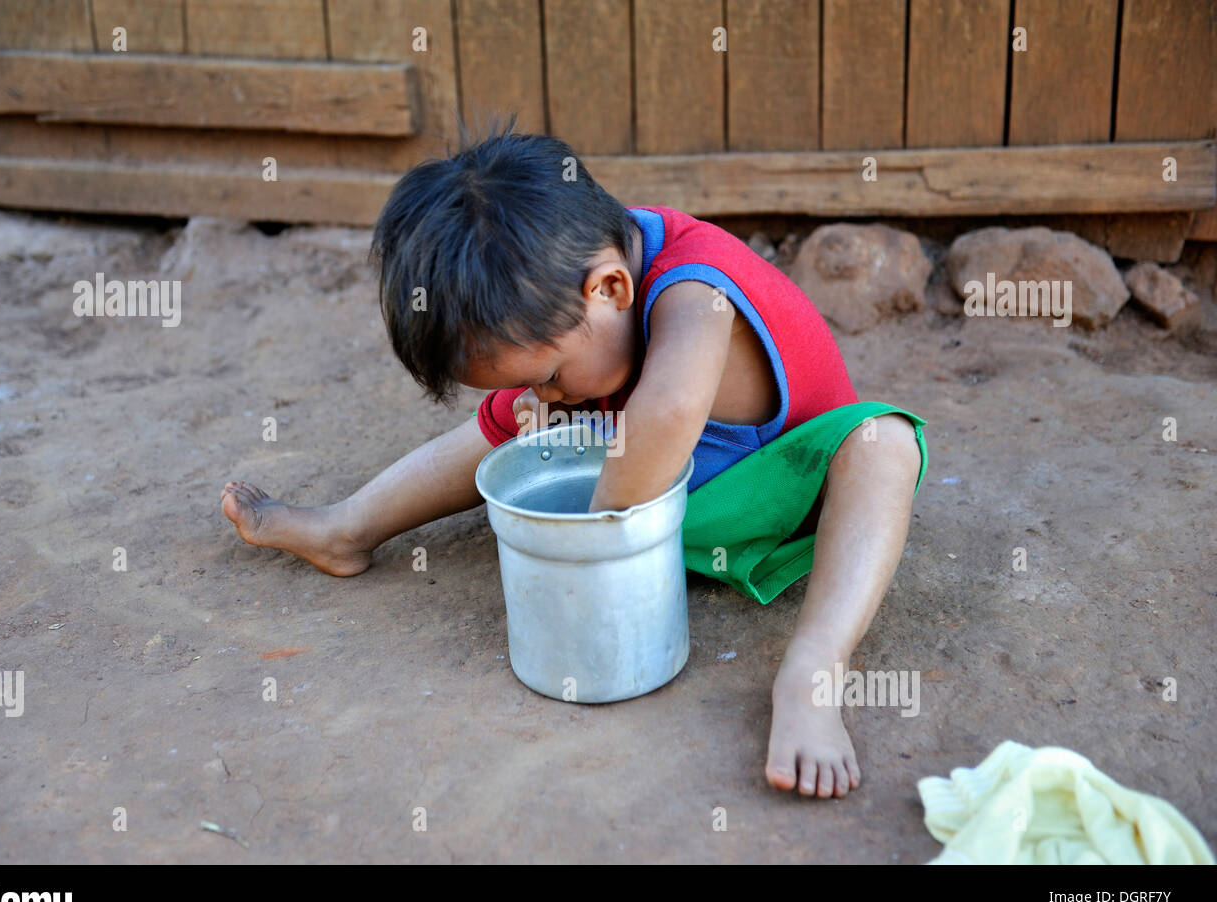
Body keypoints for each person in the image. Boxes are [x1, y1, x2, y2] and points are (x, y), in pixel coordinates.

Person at [222, 118, 928, 798]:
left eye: (548, 372)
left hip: (780, 499)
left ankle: (811, 672)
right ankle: (348, 528)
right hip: (658, 506)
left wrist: (586, 546)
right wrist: (545, 409)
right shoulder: (577, 294)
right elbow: (518, 421)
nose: (540, 390)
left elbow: (672, 412)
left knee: (882, 442)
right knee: (504, 436)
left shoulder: (695, 285)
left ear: (612, 289)